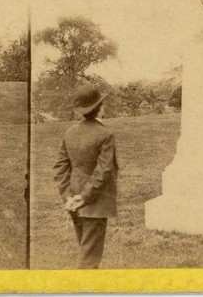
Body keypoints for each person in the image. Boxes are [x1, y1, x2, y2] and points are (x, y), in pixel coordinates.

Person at [53, 85, 119, 269]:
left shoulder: (70, 132)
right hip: (94, 203)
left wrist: (68, 197)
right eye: (102, 104)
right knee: (88, 260)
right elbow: (104, 171)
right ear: (99, 108)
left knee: (85, 249)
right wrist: (84, 197)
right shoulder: (105, 134)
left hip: (73, 202)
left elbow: (60, 167)